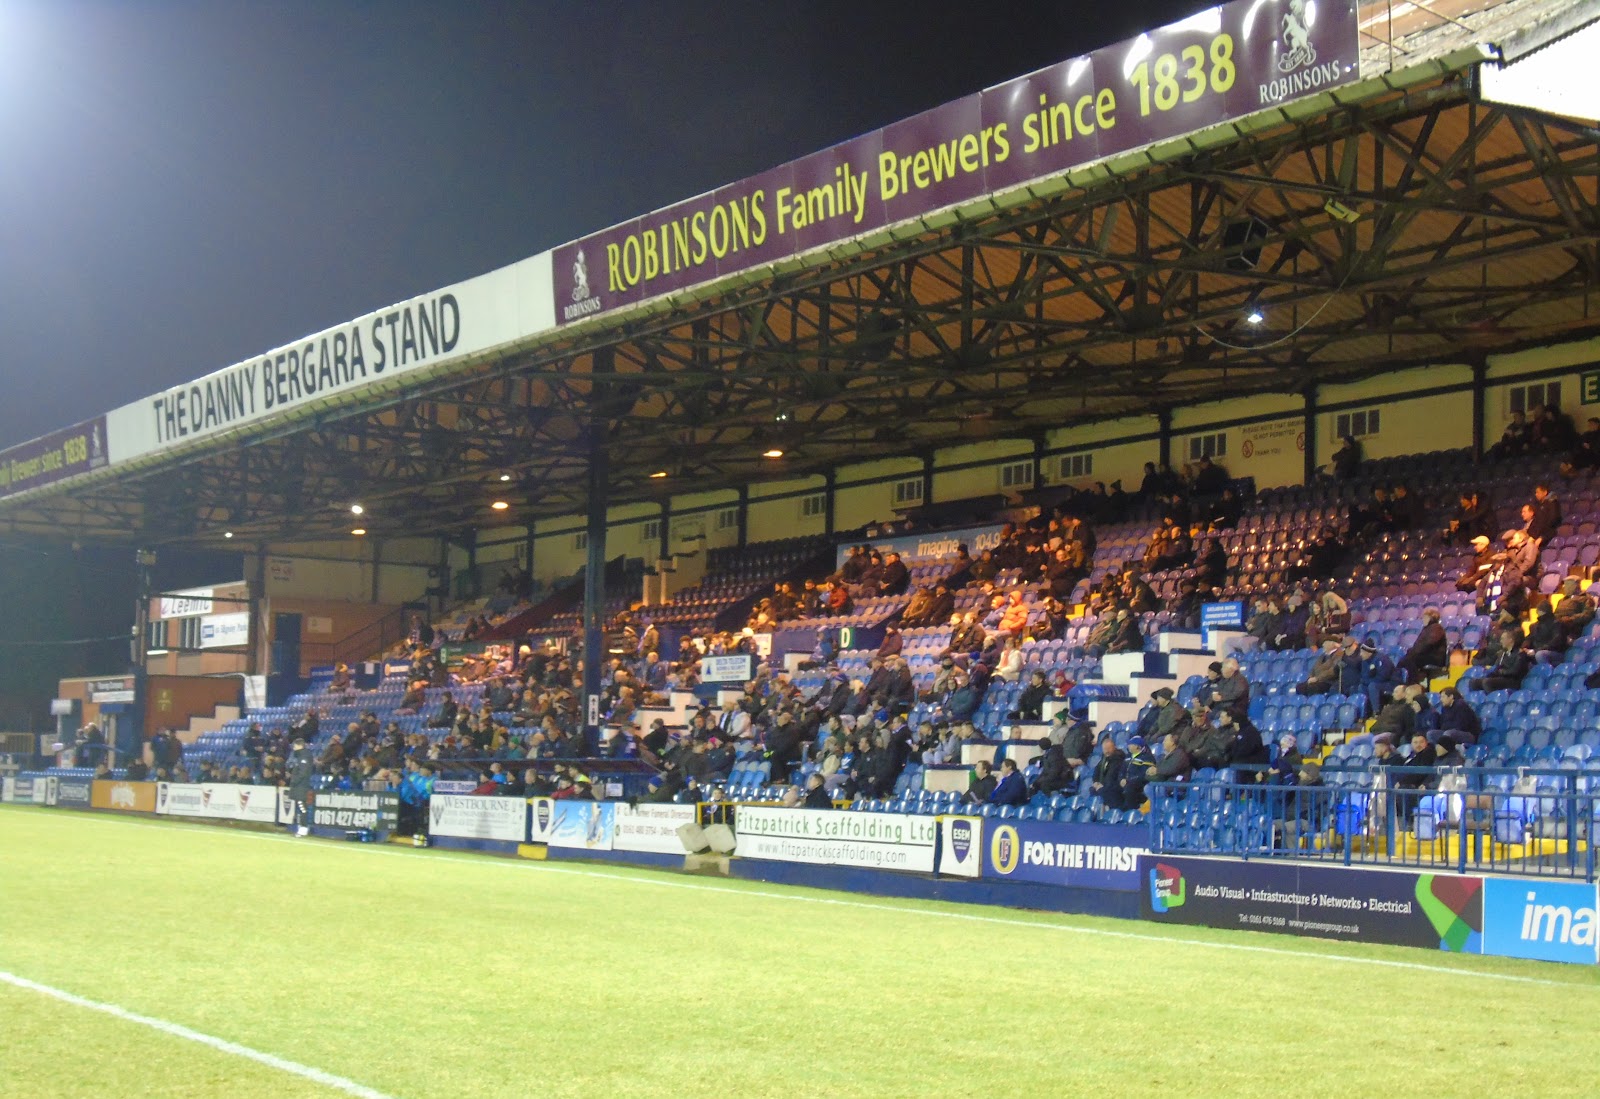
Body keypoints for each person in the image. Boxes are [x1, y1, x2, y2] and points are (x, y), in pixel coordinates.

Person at [1397, 607, 1448, 684]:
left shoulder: (1437, 628)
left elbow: (1428, 644)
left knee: (1409, 659)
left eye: (1425, 617)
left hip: (1435, 657)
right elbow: (1419, 645)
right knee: (1405, 660)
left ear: (1431, 618)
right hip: (1425, 654)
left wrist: (1414, 652)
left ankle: (1412, 683)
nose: (1423, 619)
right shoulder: (1426, 629)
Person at [285, 737, 316, 837]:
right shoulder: (301, 756)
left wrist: (294, 781)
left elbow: (303, 773)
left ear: (300, 745)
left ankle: (303, 828)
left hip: (301, 786)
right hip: (299, 786)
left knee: (302, 807)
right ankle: (300, 827)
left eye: (295, 745)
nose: (293, 748)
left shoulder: (304, 757)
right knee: (300, 806)